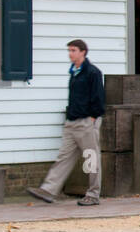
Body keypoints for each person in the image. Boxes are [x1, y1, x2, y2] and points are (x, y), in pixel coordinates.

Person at [27, 39, 105, 206]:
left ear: (83, 52)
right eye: (69, 50)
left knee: (91, 159)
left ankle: (93, 194)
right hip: (72, 122)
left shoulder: (93, 73)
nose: (70, 53)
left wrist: (91, 119)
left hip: (86, 123)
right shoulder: (74, 72)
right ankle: (49, 189)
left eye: (74, 50)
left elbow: (99, 99)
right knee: (64, 156)